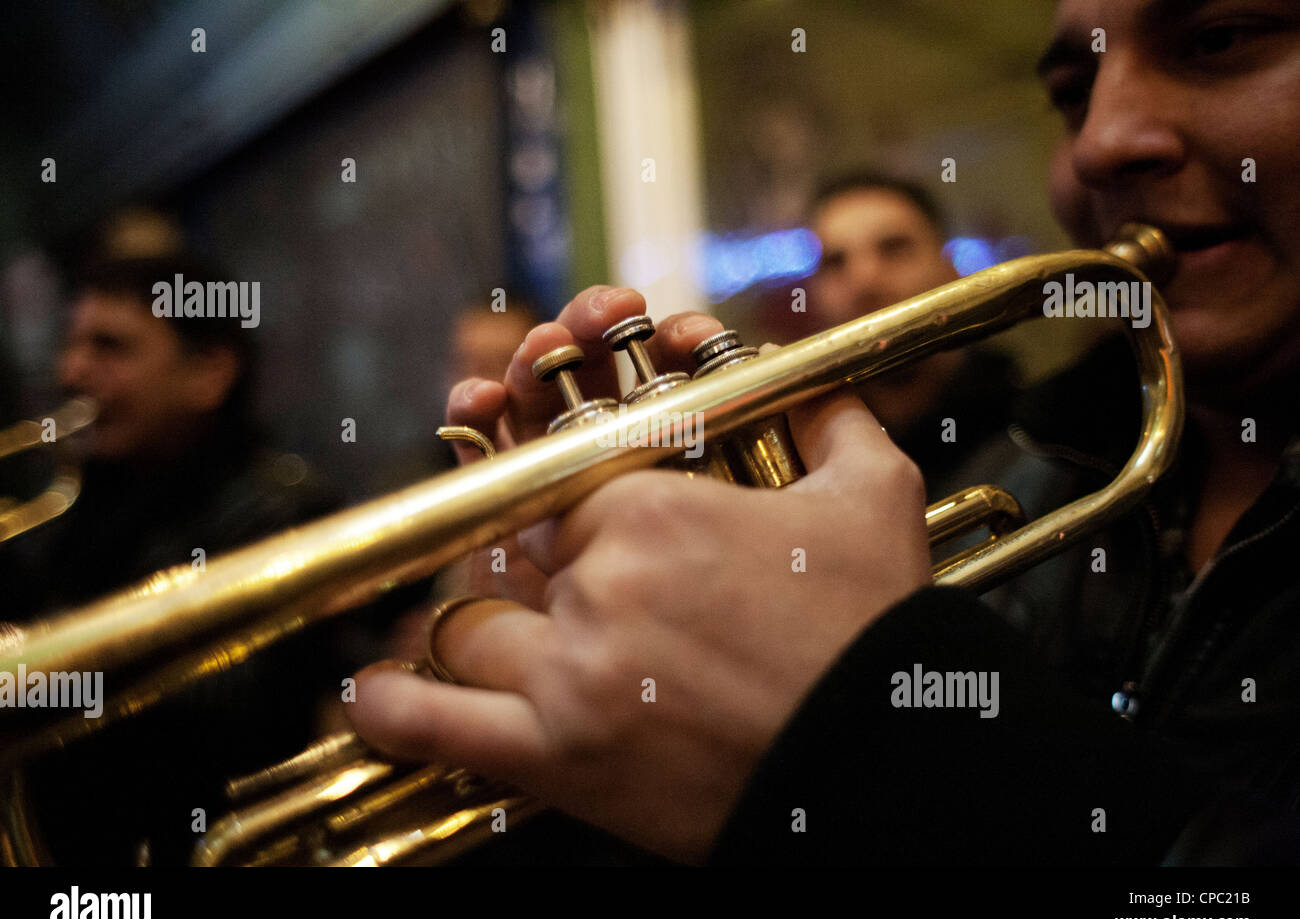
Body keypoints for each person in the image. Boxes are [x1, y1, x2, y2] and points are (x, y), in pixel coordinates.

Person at [349, 0, 1300, 865]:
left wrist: (883, 739)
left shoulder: (997, 464)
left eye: (1217, 39)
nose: (1098, 141)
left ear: (945, 259)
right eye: (1071, 91)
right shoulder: (1041, 469)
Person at [3, 253, 343, 864]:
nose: (72, 369)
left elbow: (226, 710)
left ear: (207, 374)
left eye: (110, 347)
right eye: (72, 344)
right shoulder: (75, 509)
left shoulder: (284, 508)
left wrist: (29, 677)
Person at [804, 170, 1020, 497]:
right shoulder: (809, 449)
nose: (864, 280)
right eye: (835, 262)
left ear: (950, 270)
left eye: (894, 248)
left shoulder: (1029, 430)